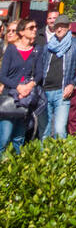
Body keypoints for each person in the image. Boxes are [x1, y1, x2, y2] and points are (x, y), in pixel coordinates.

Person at [36, 14, 76, 139]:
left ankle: (59, 157)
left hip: (62, 92)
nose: (59, 29)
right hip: (45, 91)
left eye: (62, 26)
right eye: (57, 27)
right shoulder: (48, 47)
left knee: (60, 130)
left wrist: (73, 84)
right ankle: (43, 157)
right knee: (44, 130)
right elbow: (41, 67)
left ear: (69, 27)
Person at [0, 19, 39, 154]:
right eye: (31, 27)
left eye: (35, 27)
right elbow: (2, 76)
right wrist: (18, 87)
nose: (34, 29)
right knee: (4, 137)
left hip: (25, 99)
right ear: (22, 32)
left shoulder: (35, 51)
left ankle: (16, 169)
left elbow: (39, 74)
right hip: (10, 97)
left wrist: (29, 86)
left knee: (19, 138)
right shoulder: (11, 50)